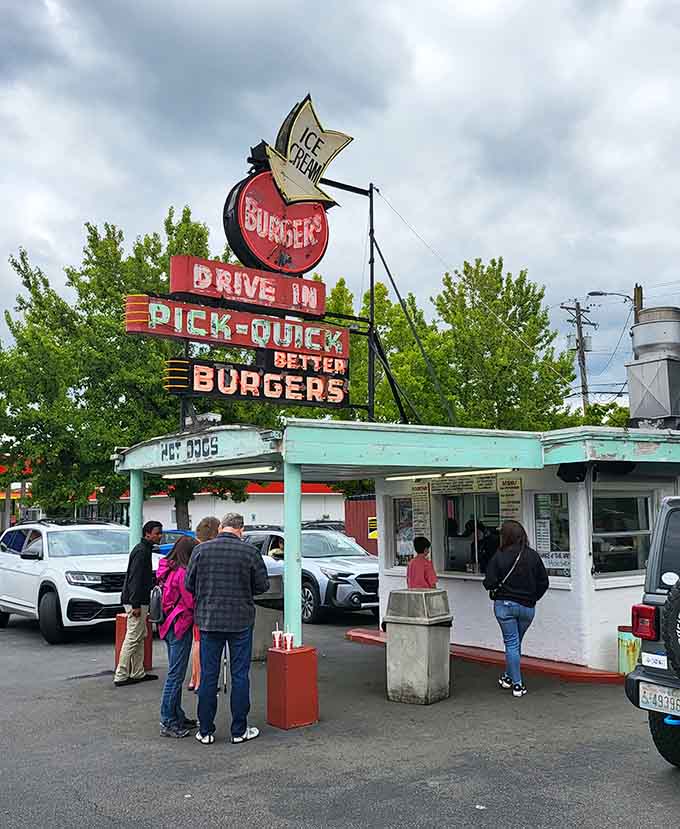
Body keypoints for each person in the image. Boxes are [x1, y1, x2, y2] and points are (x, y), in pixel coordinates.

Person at [185, 512, 269, 745]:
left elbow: (189, 584)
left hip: (209, 620)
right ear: (241, 529)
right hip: (240, 621)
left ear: (221, 527)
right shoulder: (250, 552)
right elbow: (262, 586)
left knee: (208, 676)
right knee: (240, 675)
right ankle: (239, 730)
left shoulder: (201, 550)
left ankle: (205, 731)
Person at [483, 520, 549, 698]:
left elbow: (489, 582)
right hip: (527, 607)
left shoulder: (499, 555)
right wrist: (533, 598)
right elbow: (544, 582)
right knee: (515, 643)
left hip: (505, 606)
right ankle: (508, 676)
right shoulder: (533, 556)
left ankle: (517, 684)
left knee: (512, 644)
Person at [157, 535, 197, 738]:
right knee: (176, 676)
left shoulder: (167, 568)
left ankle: (177, 715)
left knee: (175, 673)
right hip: (180, 625)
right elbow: (191, 601)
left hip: (167, 623)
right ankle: (168, 720)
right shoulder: (182, 573)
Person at [114, 520, 162, 687]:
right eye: (157, 533)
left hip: (136, 599)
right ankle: (121, 674)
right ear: (147, 534)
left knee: (139, 636)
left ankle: (137, 672)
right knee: (133, 637)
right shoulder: (142, 552)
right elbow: (135, 579)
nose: (160, 536)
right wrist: (135, 604)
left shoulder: (142, 549)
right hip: (137, 601)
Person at [187, 516, 221, 692]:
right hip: (207, 607)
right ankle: (200, 680)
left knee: (197, 642)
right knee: (201, 645)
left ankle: (194, 678)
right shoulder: (209, 552)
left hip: (198, 605)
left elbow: (189, 582)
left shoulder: (196, 551)